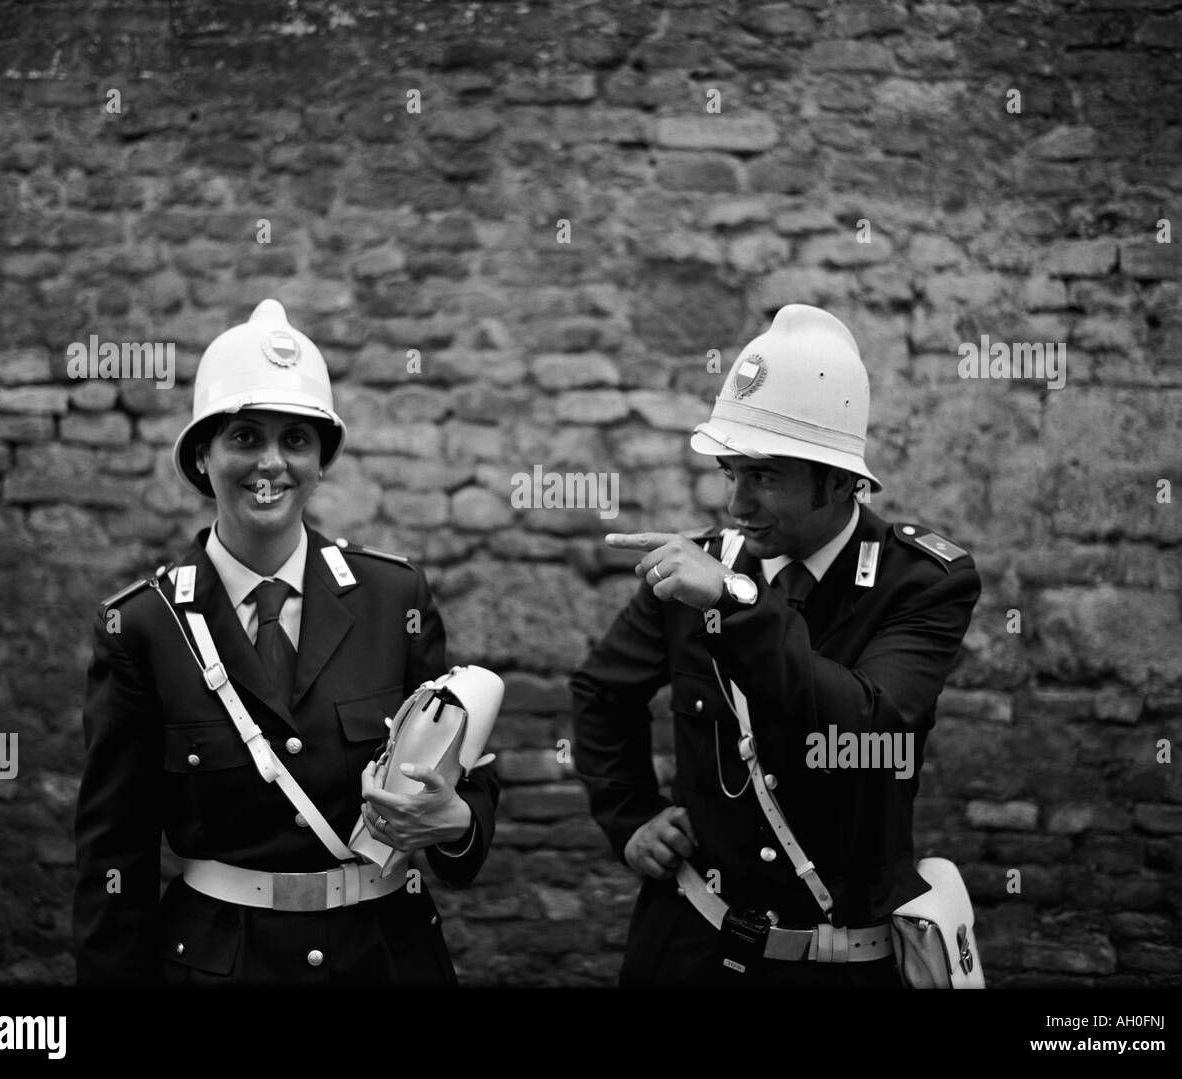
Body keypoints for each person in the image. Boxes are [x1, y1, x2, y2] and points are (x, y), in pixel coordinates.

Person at [72, 299, 498, 985]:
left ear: (320, 460)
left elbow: (466, 778)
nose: (271, 462)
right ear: (201, 457)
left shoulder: (395, 599)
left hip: (383, 959)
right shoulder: (145, 626)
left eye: (295, 440)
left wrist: (453, 821)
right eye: (244, 437)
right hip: (220, 965)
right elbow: (112, 854)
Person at [570, 304, 981, 986]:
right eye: (731, 472)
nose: (736, 504)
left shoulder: (921, 582)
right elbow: (600, 692)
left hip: (843, 958)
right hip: (692, 949)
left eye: (762, 476)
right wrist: (630, 813)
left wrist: (737, 600)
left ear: (840, 481)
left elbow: (868, 721)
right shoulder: (699, 565)